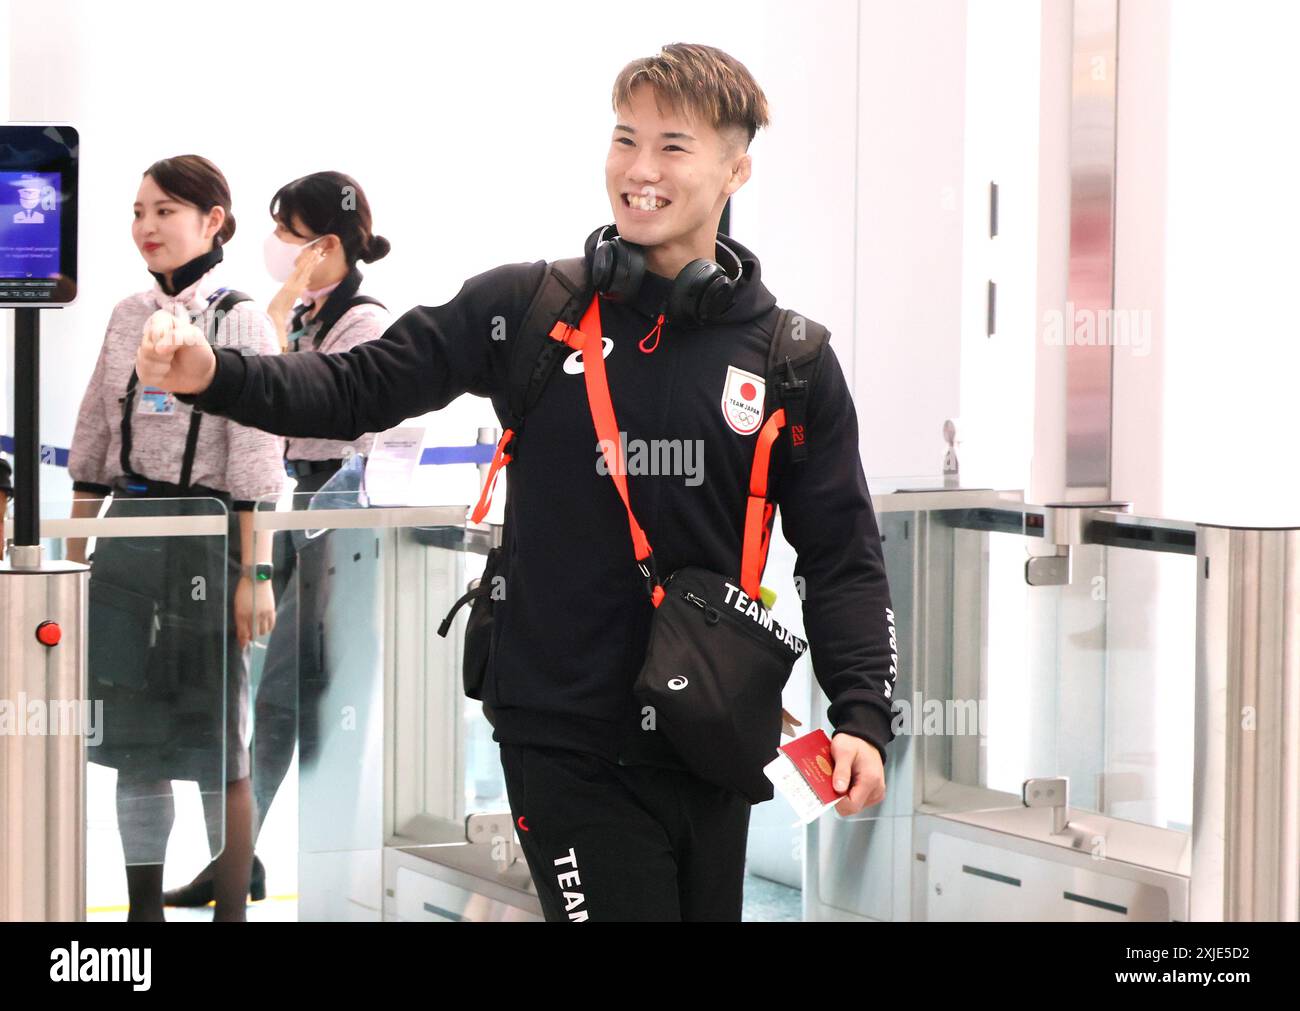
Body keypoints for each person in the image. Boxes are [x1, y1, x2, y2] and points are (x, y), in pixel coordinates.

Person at [136, 43, 896, 922]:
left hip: (713, 736)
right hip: (562, 735)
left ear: (736, 168)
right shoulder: (531, 311)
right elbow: (357, 386)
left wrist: (861, 715)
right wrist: (215, 372)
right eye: (624, 139)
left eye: (673, 146)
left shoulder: (789, 360)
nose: (639, 170)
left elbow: (843, 553)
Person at [163, 171, 393, 907]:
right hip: (301, 505)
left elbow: (287, 395)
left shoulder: (362, 322)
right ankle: (242, 857)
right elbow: (268, 395)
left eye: (290, 233)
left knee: (296, 693)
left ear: (325, 243)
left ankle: (266, 864)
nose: (277, 247)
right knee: (275, 693)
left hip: (344, 515)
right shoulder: (307, 314)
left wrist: (290, 288)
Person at [68, 154, 285, 922]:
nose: (146, 227)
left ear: (212, 221)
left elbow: (258, 453)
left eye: (164, 211)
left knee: (216, 741)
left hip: (210, 536)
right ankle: (142, 914)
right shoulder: (128, 312)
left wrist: (254, 574)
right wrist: (73, 555)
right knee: (131, 739)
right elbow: (95, 427)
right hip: (130, 536)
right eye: (137, 212)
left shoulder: (239, 317)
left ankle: (231, 911)